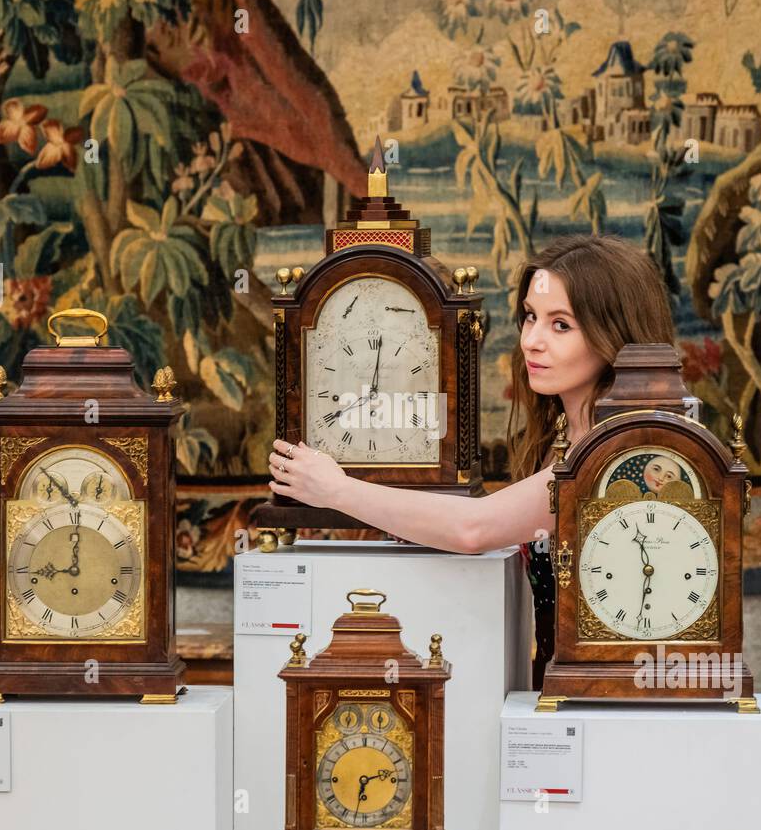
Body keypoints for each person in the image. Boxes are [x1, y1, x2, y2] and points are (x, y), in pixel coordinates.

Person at [267, 234, 677, 686]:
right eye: (530, 317)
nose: (532, 341)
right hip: (566, 684)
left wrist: (335, 489)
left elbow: (474, 529)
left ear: (615, 335)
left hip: (611, 695)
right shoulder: (566, 434)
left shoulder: (612, 450)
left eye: (561, 325)